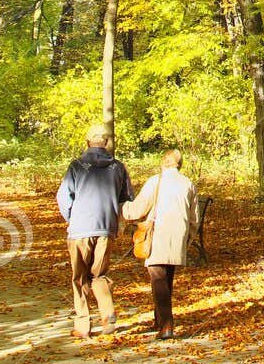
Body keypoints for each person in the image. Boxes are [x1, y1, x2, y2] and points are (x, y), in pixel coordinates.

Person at [56, 123, 134, 340]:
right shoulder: (118, 167)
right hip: (105, 228)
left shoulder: (77, 166)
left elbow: (63, 197)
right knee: (100, 274)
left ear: (87, 142)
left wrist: (71, 218)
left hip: (80, 229)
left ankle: (82, 325)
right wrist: (118, 220)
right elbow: (127, 197)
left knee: (79, 277)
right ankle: (108, 317)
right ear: (107, 143)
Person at [123, 150, 199, 340]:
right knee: (167, 278)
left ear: (163, 162)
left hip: (158, 234)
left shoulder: (155, 181)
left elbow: (137, 209)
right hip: (178, 235)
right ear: (179, 164)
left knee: (158, 277)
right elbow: (194, 218)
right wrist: (188, 238)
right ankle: (159, 319)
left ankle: (166, 325)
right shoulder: (188, 184)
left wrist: (121, 206)